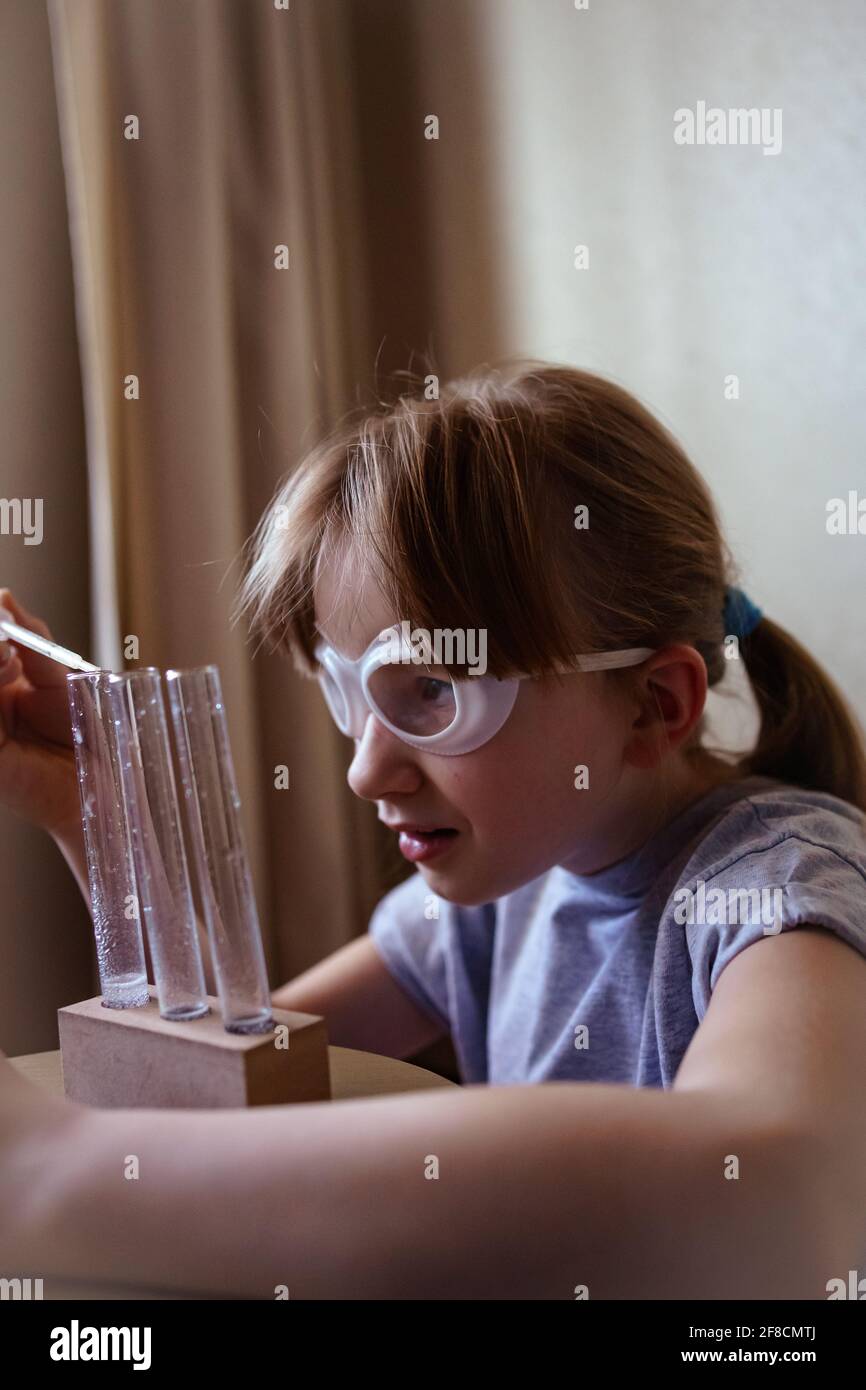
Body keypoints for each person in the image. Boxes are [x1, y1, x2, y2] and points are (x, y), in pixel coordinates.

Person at [2, 360, 866, 1299]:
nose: (367, 770)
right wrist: (91, 801)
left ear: (654, 705)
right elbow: (232, 1080)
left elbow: (775, 1187)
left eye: (433, 694)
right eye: (348, 692)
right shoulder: (497, 895)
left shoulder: (779, 889)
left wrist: (50, 1177)